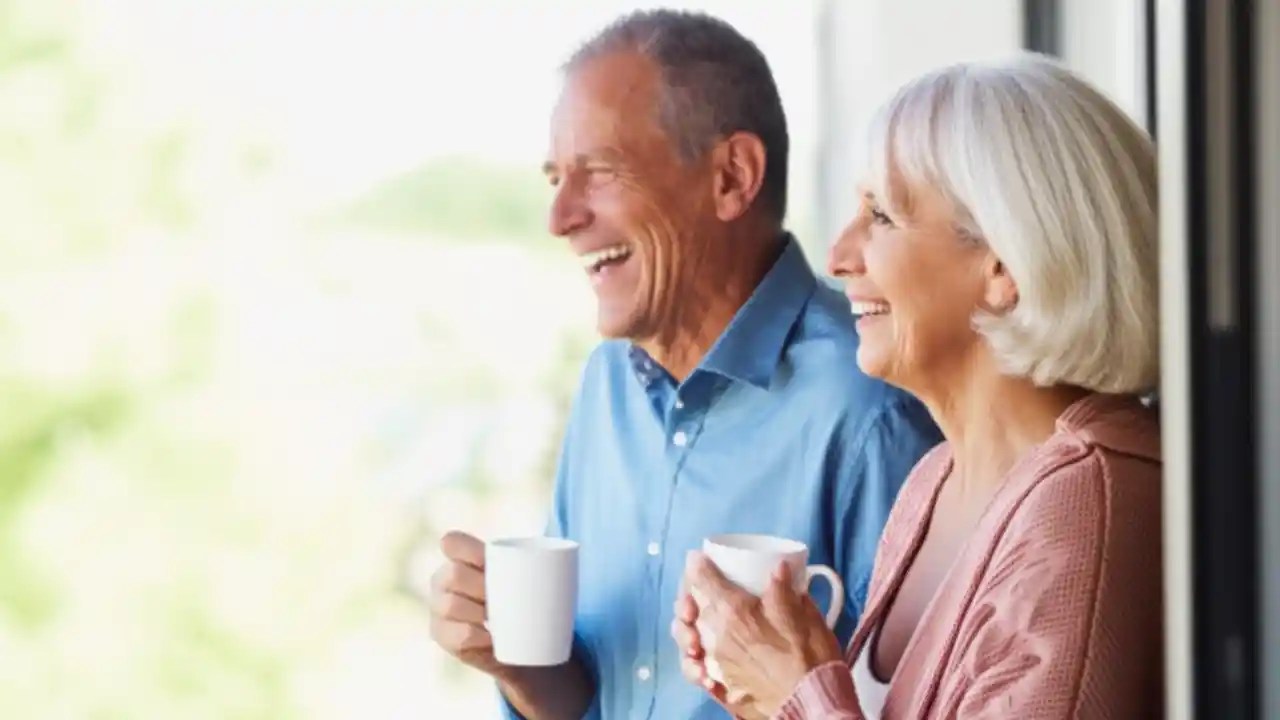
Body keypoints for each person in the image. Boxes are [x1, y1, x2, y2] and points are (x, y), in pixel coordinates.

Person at [427, 9, 941, 720]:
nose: (561, 216)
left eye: (599, 171)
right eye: (554, 178)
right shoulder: (604, 385)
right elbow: (594, 699)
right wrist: (514, 662)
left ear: (732, 176)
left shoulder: (873, 408)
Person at [673, 54, 1162, 719]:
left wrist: (798, 696)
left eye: (881, 217)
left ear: (1004, 263)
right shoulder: (934, 479)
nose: (840, 256)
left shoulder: (1084, 506)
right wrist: (764, 681)